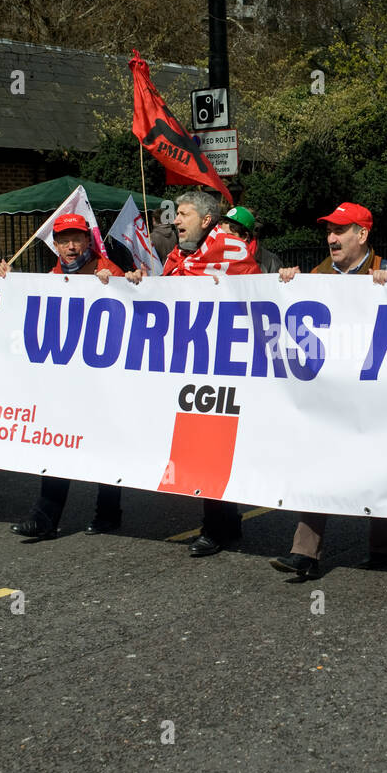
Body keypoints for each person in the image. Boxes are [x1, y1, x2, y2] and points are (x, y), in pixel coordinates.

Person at [271, 202, 387, 579]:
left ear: (362, 236)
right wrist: (289, 283)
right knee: (319, 463)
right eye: (329, 230)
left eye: (340, 230)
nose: (331, 238)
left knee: (379, 468)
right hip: (331, 392)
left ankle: (381, 548)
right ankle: (304, 553)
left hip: (377, 392)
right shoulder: (317, 274)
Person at [127, 190, 255, 556]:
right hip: (190, 363)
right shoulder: (180, 256)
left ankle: (215, 527)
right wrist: (140, 281)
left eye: (183, 215)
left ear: (206, 219)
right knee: (200, 442)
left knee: (209, 443)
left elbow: (258, 289)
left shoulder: (229, 250)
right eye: (176, 215)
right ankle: (226, 523)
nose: (175, 222)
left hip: (223, 366)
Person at [0, 213, 126, 539]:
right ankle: (44, 518)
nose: (70, 245)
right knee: (57, 445)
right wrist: (8, 282)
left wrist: (124, 282)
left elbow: (141, 299)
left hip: (104, 382)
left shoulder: (108, 272)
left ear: (88, 241)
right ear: (54, 245)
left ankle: (109, 513)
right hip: (66, 382)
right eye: (64, 239)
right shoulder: (52, 276)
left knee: (103, 446)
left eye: (77, 238)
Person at [220, 205, 281, 274]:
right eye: (222, 235)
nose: (225, 240)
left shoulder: (270, 261)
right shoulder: (215, 256)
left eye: (230, 236)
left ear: (245, 236)